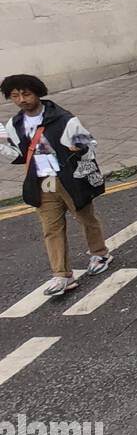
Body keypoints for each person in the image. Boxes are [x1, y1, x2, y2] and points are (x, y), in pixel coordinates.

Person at [2, 73, 111, 296]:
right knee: (51, 229)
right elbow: (17, 155)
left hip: (69, 179)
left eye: (26, 94)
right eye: (15, 96)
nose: (21, 100)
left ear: (37, 94)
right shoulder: (14, 124)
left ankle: (100, 253)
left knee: (85, 218)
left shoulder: (63, 119)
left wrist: (79, 148)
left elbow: (89, 144)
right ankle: (62, 275)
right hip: (41, 181)